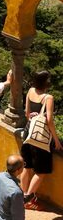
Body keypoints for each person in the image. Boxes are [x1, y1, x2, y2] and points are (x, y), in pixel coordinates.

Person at [20, 70, 62, 210]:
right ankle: (28, 199)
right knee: (41, 171)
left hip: (27, 134)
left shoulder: (30, 91)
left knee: (27, 167)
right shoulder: (48, 98)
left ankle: (23, 195)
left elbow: (27, 114)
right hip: (40, 139)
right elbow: (49, 120)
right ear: (46, 83)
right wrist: (56, 140)